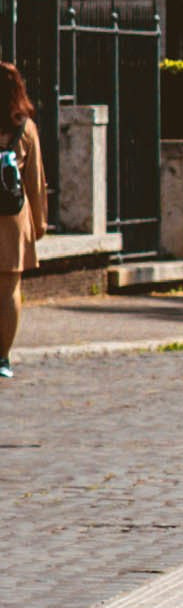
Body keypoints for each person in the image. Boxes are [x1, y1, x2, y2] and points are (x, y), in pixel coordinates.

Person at [0, 62, 45, 378]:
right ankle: (2, 358)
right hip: (12, 218)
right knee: (9, 290)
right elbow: (35, 180)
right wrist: (39, 222)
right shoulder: (25, 128)